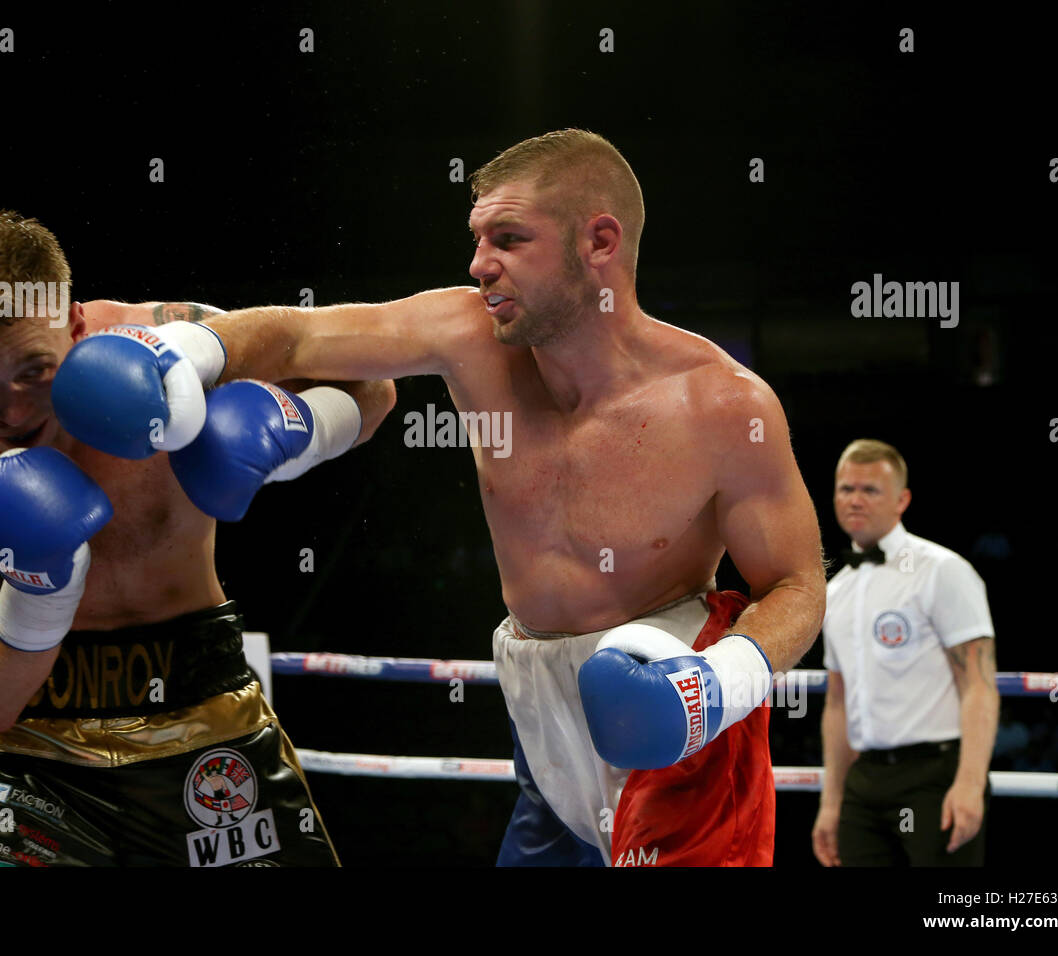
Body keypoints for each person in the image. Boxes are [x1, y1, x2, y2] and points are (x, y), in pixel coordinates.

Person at [57, 130, 827, 866]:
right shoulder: (468, 334)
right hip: (538, 709)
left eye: (509, 239)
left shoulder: (722, 405)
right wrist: (185, 352)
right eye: (478, 239)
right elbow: (299, 336)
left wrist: (718, 683)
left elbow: (797, 583)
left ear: (600, 242)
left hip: (669, 699)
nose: (480, 264)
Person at [0, 203, 394, 866]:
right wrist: (39, 592)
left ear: (75, 323)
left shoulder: (173, 348)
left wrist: (299, 428)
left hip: (208, 728)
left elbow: (375, 387)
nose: (14, 408)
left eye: (34, 369)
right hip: (24, 762)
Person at [812, 439, 998, 866]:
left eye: (870, 490)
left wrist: (970, 782)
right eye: (846, 489)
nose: (855, 500)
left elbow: (979, 686)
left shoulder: (943, 571)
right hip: (863, 782)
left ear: (902, 500)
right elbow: (837, 703)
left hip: (935, 775)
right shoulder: (835, 592)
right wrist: (831, 801)